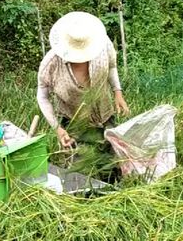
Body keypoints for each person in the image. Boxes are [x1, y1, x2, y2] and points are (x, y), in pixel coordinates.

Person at [36, 11, 130, 174]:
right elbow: (42, 97)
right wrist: (58, 128)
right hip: (74, 122)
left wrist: (117, 92)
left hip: (104, 115)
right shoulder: (51, 64)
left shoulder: (102, 45)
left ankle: (112, 185)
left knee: (112, 163)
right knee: (82, 169)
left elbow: (111, 66)